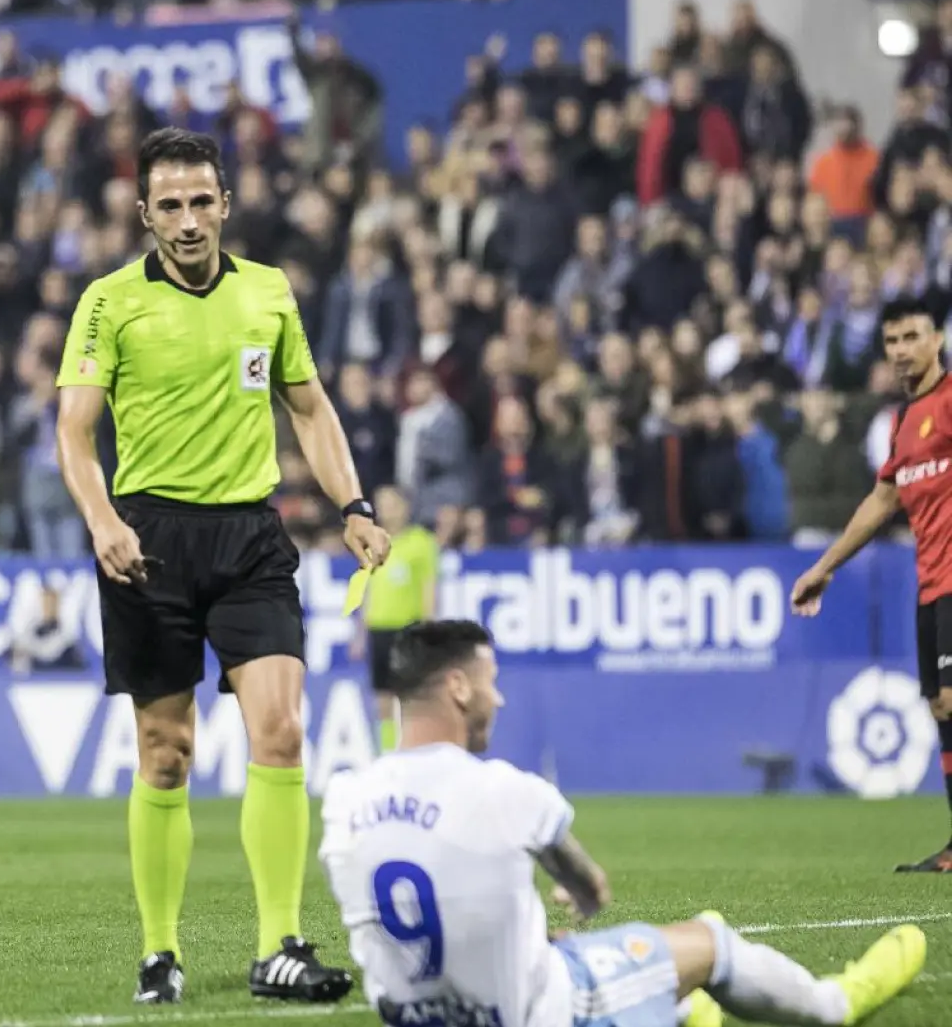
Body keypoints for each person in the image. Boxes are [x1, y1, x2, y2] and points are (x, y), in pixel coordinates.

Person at [54, 126, 392, 1006]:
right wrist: (101, 522)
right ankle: (160, 953)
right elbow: (74, 431)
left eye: (202, 200)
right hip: (147, 541)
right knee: (166, 753)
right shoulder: (108, 302)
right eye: (170, 204)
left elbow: (311, 410)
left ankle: (278, 944)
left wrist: (353, 505)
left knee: (280, 733)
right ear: (144, 214)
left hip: (250, 537)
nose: (189, 218)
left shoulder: (269, 294)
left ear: (226, 204)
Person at [319, 620, 925, 1027]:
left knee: (585, 954)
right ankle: (839, 1000)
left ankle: (681, 1009)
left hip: (421, 1013)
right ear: (457, 687)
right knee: (711, 940)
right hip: (544, 1010)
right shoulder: (506, 791)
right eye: (491, 683)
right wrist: (577, 894)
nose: (497, 699)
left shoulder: (344, 799)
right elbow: (591, 890)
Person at [791, 296, 952, 873]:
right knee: (939, 705)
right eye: (892, 341)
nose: (903, 350)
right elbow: (883, 499)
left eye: (912, 336)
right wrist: (824, 566)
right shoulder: (907, 422)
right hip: (931, 583)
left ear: (936, 339)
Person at [348, 485, 438, 753]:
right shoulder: (372, 541)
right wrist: (360, 633)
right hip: (379, 629)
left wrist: (428, 627)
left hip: (407, 628)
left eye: (392, 504)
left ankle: (413, 751)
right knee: (383, 699)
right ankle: (387, 755)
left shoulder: (421, 542)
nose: (387, 510)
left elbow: (429, 587)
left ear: (405, 507)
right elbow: (367, 589)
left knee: (411, 696)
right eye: (382, 504)